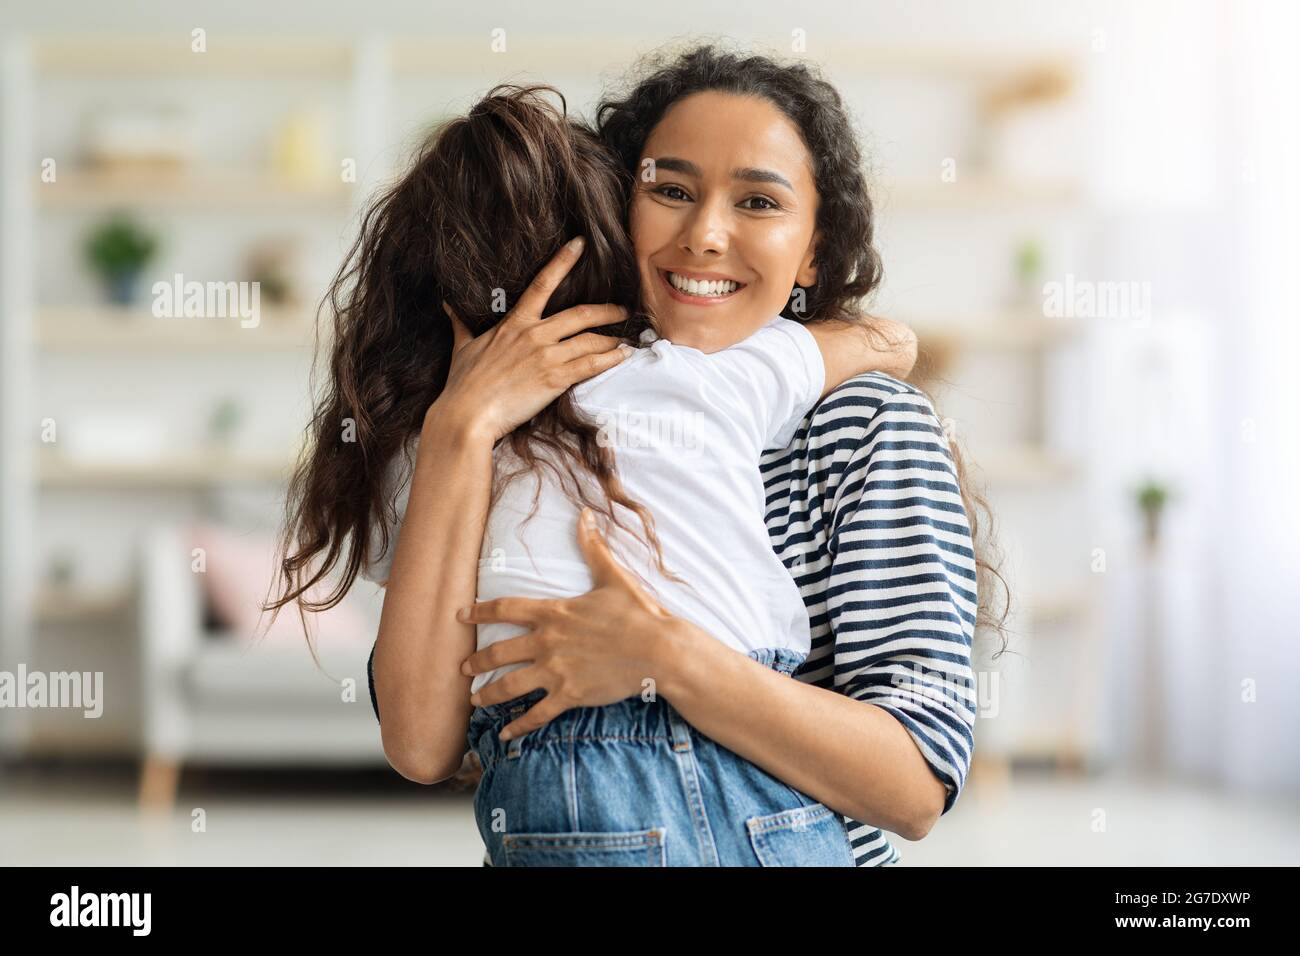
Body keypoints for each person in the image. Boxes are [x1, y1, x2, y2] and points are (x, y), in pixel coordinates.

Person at [270, 44, 999, 866]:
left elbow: (913, 790)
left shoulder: (864, 424)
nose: (706, 235)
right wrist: (458, 432)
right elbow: (422, 743)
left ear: (814, 253)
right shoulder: (504, 427)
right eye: (671, 190)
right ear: (612, 210)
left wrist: (664, 655)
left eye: (759, 202)